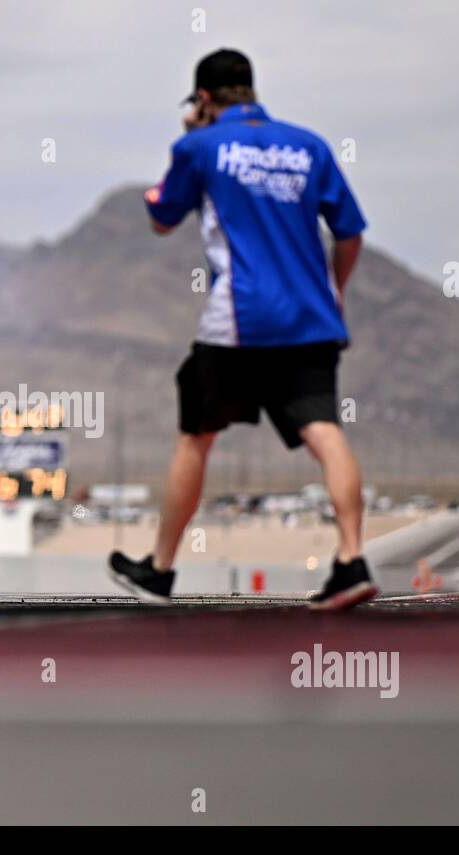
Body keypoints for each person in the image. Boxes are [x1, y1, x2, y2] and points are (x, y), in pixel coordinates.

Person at [108, 49, 376, 611]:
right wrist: (337, 291)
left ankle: (160, 570)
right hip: (310, 319)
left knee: (197, 436)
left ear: (203, 99)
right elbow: (349, 232)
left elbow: (161, 217)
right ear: (250, 89)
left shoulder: (199, 146)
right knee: (324, 431)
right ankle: (352, 560)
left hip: (239, 317)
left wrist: (185, 140)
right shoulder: (308, 146)